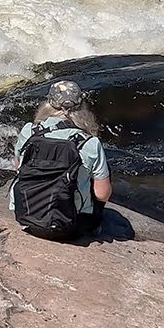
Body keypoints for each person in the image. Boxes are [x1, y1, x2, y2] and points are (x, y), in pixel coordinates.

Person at [10, 80, 111, 239]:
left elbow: (18, 168)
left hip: (27, 218)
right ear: (81, 107)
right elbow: (102, 194)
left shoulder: (29, 131)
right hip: (70, 226)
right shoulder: (89, 142)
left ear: (48, 103)